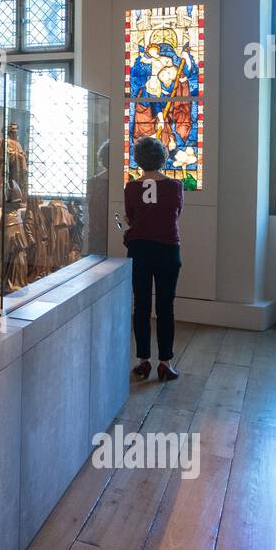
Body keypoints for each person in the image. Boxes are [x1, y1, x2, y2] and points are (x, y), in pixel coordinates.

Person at [123, 136, 183, 381]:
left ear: (138, 160)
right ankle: (165, 362)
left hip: (139, 249)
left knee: (141, 305)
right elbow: (176, 214)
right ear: (162, 158)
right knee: (166, 306)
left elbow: (130, 217)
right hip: (167, 248)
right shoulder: (174, 186)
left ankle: (143, 360)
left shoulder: (131, 188)